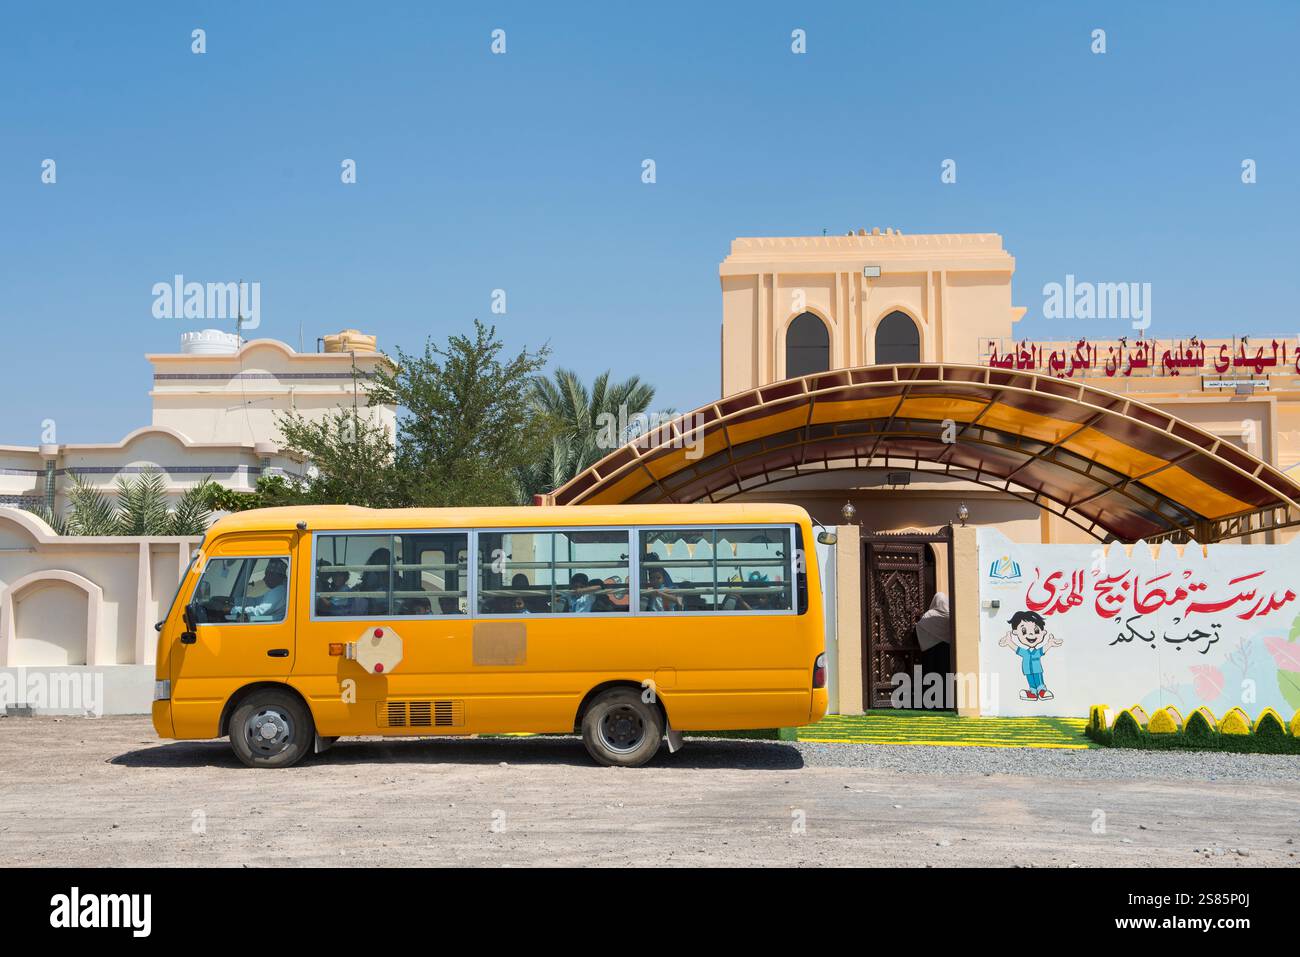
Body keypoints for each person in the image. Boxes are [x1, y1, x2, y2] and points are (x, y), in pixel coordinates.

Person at [915, 593, 952, 708]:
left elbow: (919, 627)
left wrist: (927, 640)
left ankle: (929, 702)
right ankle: (946, 703)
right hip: (946, 651)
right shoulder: (950, 617)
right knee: (945, 675)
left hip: (930, 651)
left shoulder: (929, 616)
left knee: (930, 675)